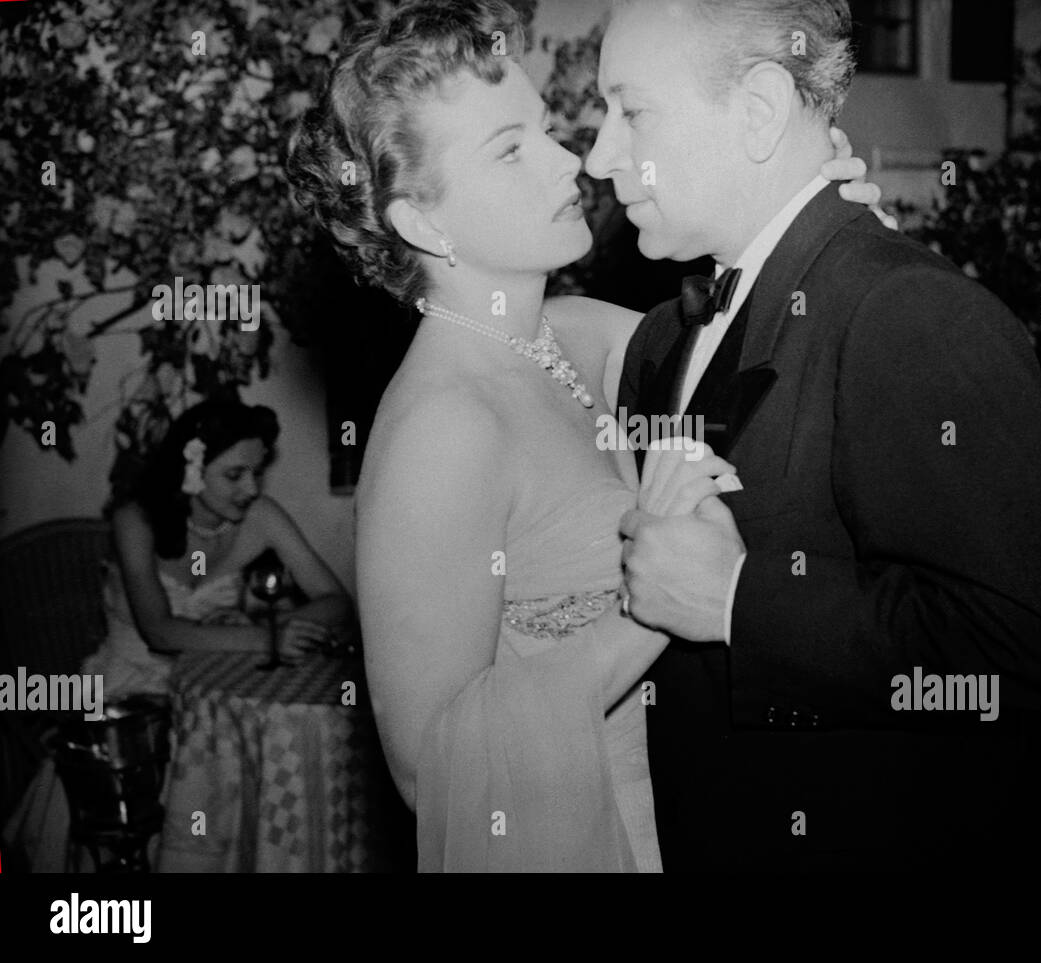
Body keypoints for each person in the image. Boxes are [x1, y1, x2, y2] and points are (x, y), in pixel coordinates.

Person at [285, 0, 882, 871]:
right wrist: (656, 600)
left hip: (707, 814)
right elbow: (429, 764)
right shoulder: (439, 430)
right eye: (510, 149)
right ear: (422, 223)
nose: (569, 160)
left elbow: (774, 356)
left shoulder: (582, 333)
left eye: (544, 129)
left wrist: (822, 221)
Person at [595, 0, 1041, 871]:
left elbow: (1030, 643)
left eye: (630, 111)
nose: (600, 156)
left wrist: (737, 601)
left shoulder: (909, 311)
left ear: (757, 109)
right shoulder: (662, 337)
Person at [2, 400, 354, 871]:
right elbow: (160, 631)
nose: (251, 488)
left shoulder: (261, 516)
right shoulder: (135, 520)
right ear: (191, 467)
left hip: (214, 692)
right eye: (234, 475)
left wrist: (275, 626)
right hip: (126, 696)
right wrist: (262, 640)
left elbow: (335, 600)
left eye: (257, 472)